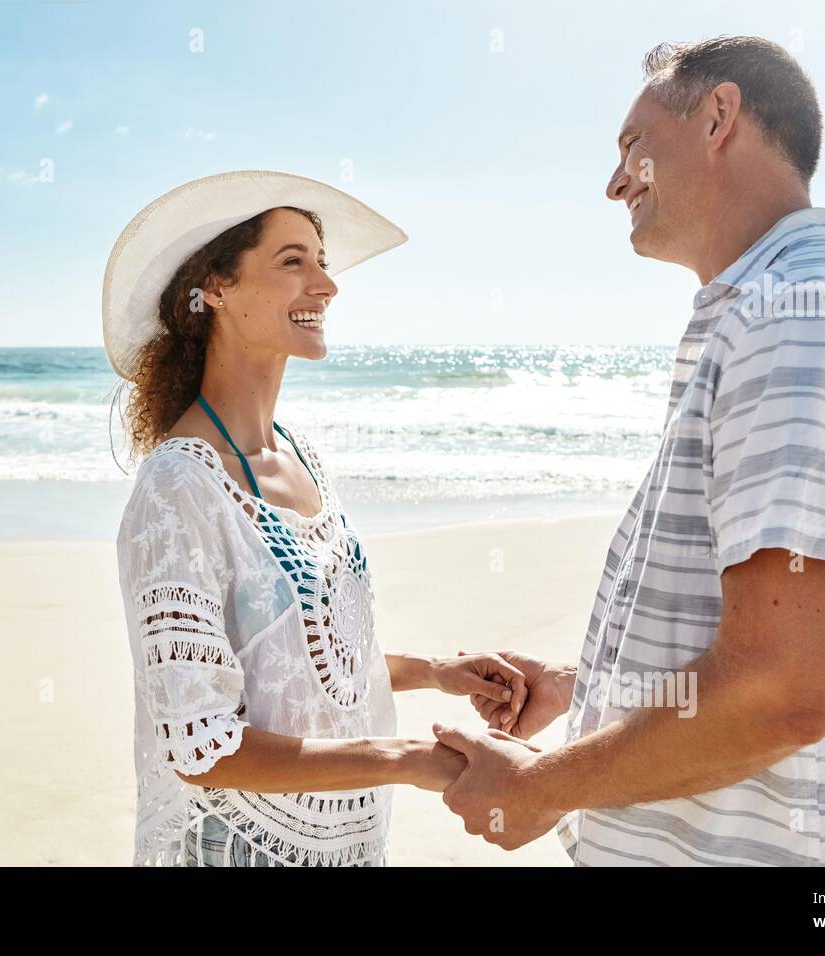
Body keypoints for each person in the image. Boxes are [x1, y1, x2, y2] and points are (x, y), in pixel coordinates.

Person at [445, 36, 825, 866]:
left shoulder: (800, 321)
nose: (614, 184)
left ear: (718, 117)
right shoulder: (778, 314)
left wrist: (541, 787)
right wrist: (587, 690)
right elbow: (761, 637)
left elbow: (779, 693)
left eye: (633, 147)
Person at [106, 170, 528, 866]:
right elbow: (200, 744)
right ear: (216, 287)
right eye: (293, 261)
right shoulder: (179, 488)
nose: (327, 286)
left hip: (346, 846)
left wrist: (438, 671)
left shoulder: (302, 457)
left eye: (324, 264)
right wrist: (409, 757)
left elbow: (296, 669)